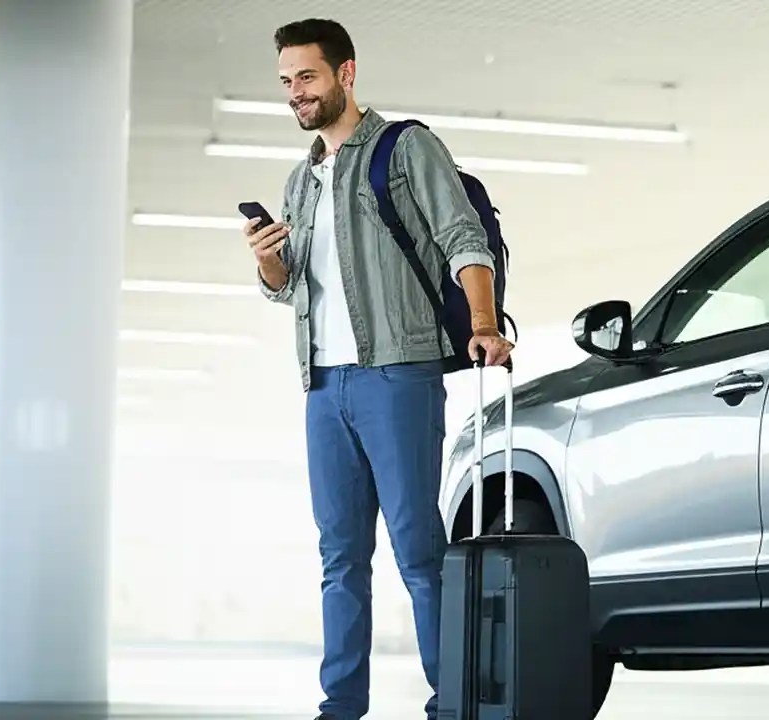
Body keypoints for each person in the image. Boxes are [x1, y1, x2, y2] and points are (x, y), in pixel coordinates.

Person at [242, 17, 514, 720]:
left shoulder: (405, 148)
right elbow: (292, 287)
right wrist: (271, 262)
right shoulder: (300, 180)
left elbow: (464, 238)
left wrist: (484, 327)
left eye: (307, 76)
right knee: (340, 558)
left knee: (419, 551)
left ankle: (450, 702)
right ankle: (341, 705)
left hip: (397, 373)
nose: (295, 92)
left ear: (346, 74)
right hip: (322, 384)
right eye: (286, 81)